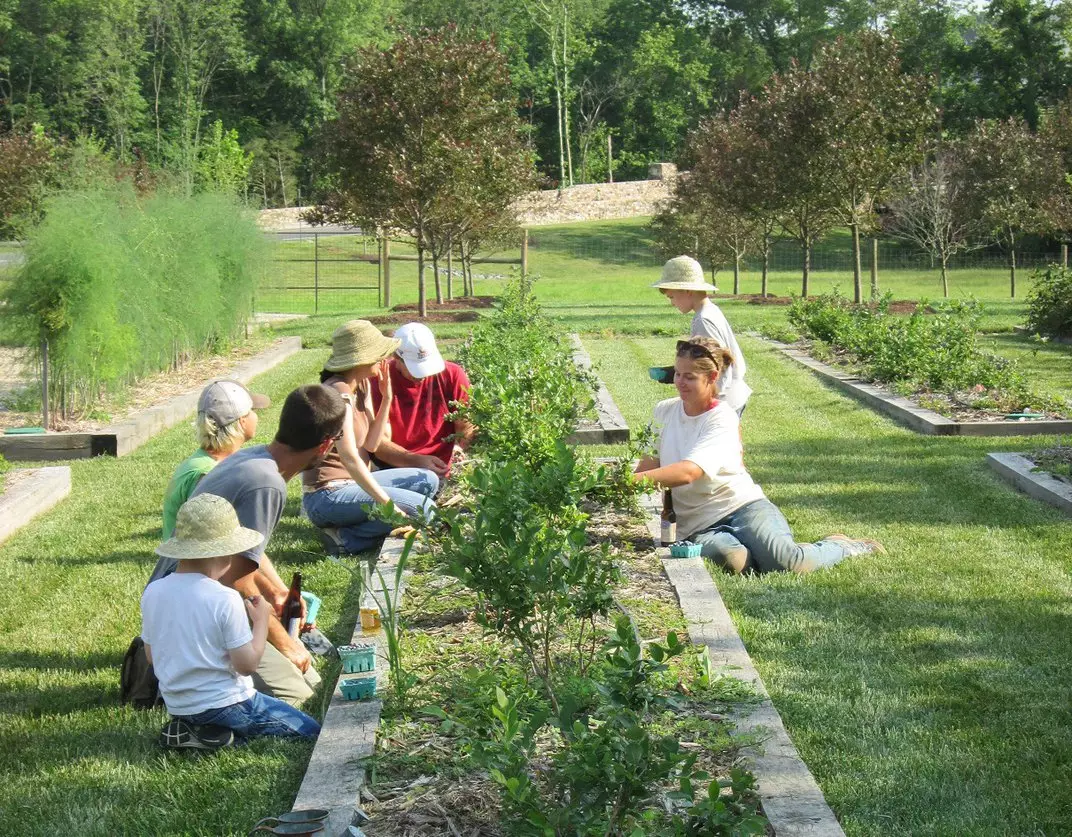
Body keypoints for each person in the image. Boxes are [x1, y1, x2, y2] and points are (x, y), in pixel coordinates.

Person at [148, 384, 347, 706]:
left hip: (186, 597)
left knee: (311, 677)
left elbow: (246, 551)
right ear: (325, 444)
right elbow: (236, 580)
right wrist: (285, 644)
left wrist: (278, 592)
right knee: (300, 695)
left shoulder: (253, 459)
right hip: (194, 611)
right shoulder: (266, 485)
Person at [635, 336, 884, 574]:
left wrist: (626, 482)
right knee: (734, 562)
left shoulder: (721, 418)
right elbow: (647, 467)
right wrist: (618, 483)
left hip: (743, 506)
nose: (680, 382)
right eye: (677, 374)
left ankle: (842, 546)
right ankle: (762, 553)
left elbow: (689, 472)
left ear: (711, 377)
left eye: (689, 377)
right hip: (697, 524)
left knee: (788, 564)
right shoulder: (664, 411)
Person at [142, 493, 321, 750]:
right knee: (309, 731)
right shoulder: (224, 597)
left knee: (231, 722)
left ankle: (198, 732)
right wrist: (260, 622)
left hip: (179, 705)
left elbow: (151, 656)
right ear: (225, 554)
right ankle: (224, 738)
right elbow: (247, 665)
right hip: (230, 703)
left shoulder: (154, 592)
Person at [302, 319, 438, 555]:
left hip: (352, 485)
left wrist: (386, 398)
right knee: (425, 510)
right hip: (327, 495)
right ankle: (347, 539)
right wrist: (388, 505)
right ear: (363, 360)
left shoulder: (362, 385)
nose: (385, 360)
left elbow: (372, 444)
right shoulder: (337, 395)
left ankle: (352, 526)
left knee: (428, 481)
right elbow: (350, 459)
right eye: (380, 355)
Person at [162, 380, 269, 539]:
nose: (256, 415)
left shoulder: (210, 462)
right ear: (242, 420)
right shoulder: (207, 475)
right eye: (252, 410)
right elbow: (206, 542)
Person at [370, 322, 474, 478]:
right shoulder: (378, 381)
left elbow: (466, 423)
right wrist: (414, 460)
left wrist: (459, 447)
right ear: (397, 357)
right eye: (415, 368)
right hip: (397, 468)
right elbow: (380, 445)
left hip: (444, 466)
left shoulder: (452, 375)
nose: (423, 375)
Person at [652, 255, 751, 416]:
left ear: (687, 290)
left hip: (724, 400)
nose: (672, 303)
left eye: (672, 296)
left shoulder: (703, 320)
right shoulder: (709, 311)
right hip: (732, 396)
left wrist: (710, 402)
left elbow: (718, 364)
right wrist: (677, 371)